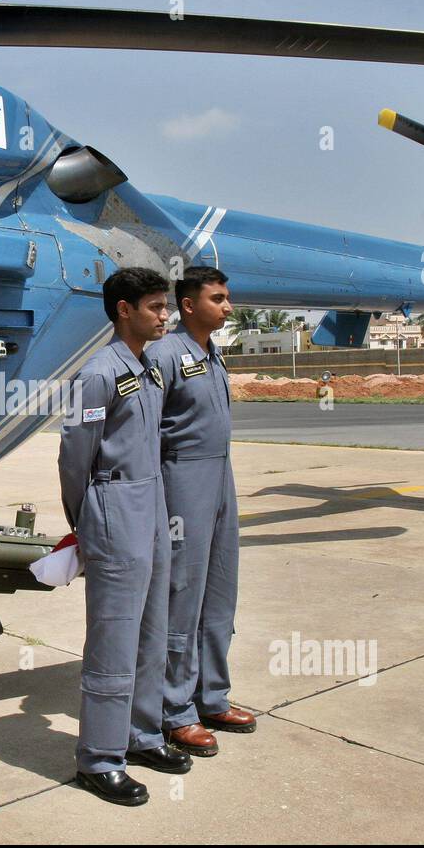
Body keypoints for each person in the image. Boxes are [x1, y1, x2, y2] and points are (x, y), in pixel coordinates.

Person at [58, 267, 192, 807]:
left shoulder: (150, 368)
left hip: (152, 502)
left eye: (166, 306)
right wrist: (84, 517)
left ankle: (141, 735)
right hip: (114, 505)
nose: (166, 315)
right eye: (156, 307)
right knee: (114, 637)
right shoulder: (98, 373)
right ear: (123, 311)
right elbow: (74, 454)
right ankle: (99, 758)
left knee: (152, 630)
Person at [147, 266, 256, 759]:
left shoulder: (212, 355)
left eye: (228, 297)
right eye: (219, 298)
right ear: (189, 305)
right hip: (182, 479)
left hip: (220, 478)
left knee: (220, 592)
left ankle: (212, 696)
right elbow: (144, 433)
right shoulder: (165, 355)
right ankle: (175, 711)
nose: (228, 306)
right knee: (182, 595)